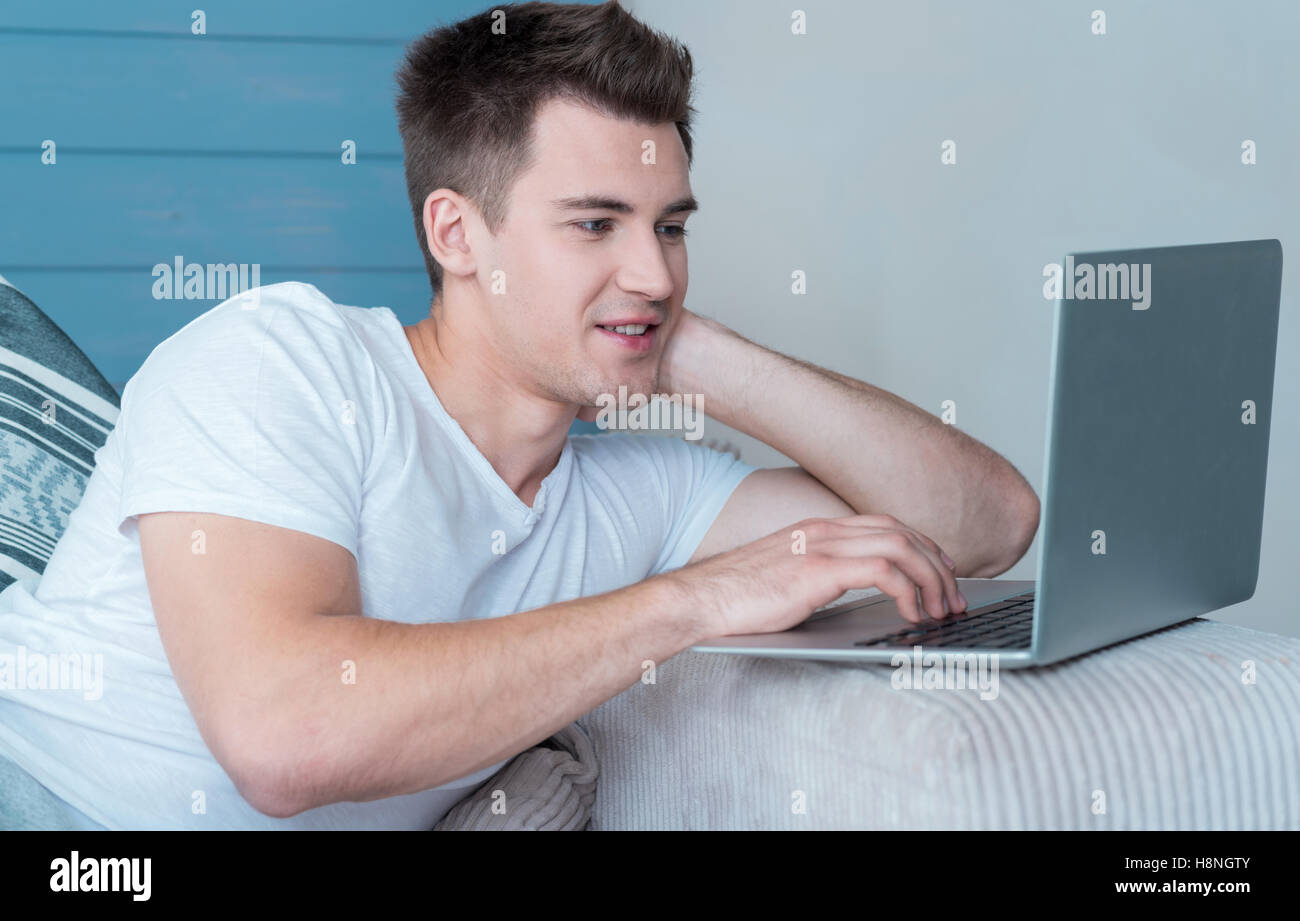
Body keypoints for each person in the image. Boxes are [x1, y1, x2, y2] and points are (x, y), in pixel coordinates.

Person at [0, 0, 1038, 830]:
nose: (651, 267)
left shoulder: (640, 491)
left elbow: (985, 527)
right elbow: (286, 735)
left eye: (669, 228)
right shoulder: (282, 361)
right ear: (458, 235)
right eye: (594, 224)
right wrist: (690, 601)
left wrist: (688, 345)